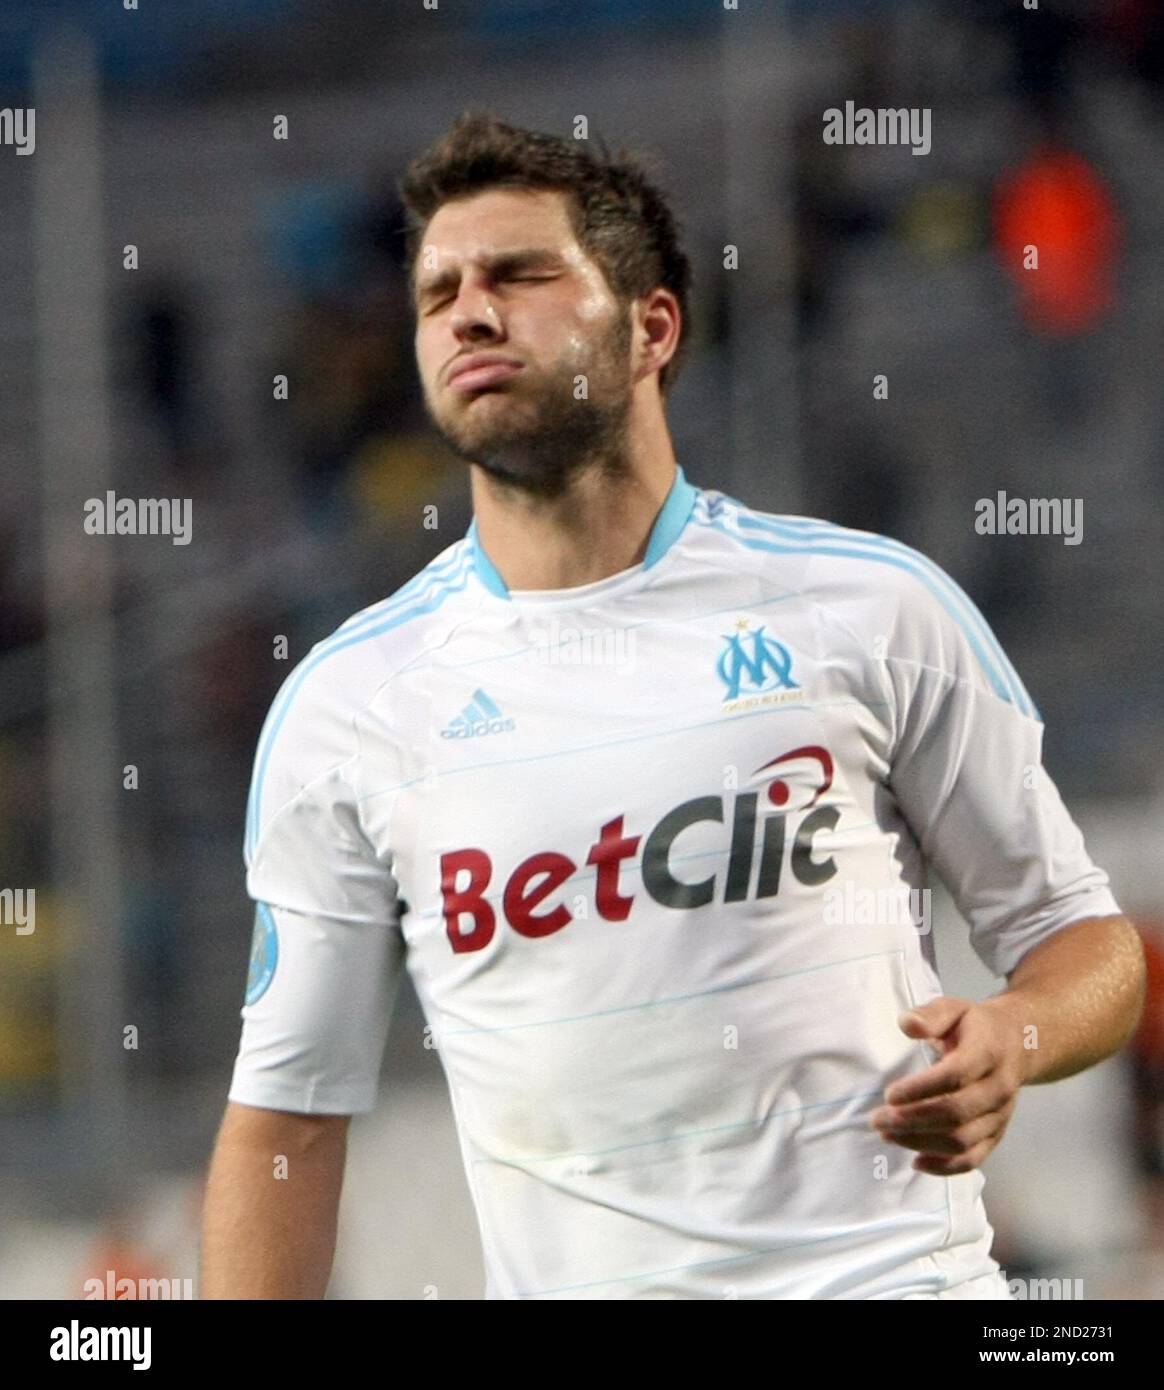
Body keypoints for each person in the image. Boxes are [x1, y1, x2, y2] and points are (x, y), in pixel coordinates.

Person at [201, 112, 1145, 1300]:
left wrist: (1017, 1034)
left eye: (521, 274)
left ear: (652, 328)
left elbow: (1087, 945)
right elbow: (285, 1129)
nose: (470, 311)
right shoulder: (351, 708)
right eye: (439, 290)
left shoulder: (871, 609)